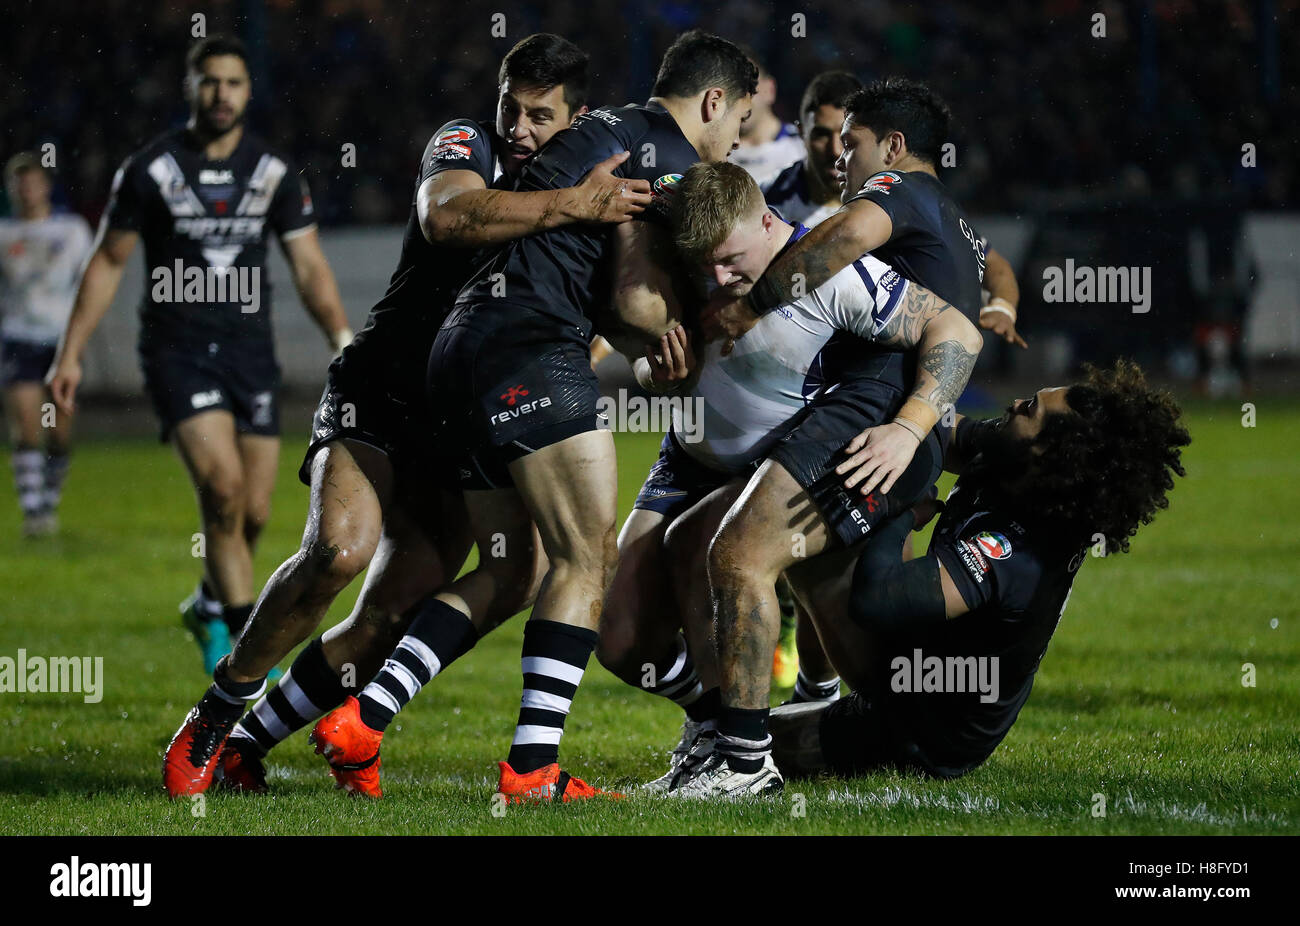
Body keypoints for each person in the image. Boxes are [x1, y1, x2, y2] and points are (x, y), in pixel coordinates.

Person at [160, 34, 652, 798]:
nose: (519, 129)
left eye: (540, 117)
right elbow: (444, 216)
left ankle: (252, 745)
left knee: (395, 613)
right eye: (510, 109)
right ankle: (220, 707)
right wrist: (571, 204)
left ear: (577, 116)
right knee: (338, 551)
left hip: (458, 413)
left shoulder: (598, 187)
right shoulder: (469, 144)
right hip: (381, 388)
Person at [309, 30, 757, 804]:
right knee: (587, 558)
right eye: (740, 120)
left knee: (519, 567)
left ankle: (365, 719)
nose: (737, 136)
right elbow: (631, 298)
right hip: (530, 349)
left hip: (459, 352)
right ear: (715, 101)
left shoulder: (604, 131)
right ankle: (530, 772)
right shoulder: (660, 156)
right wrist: (693, 326)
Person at [593, 161, 982, 797]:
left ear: (769, 223)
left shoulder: (824, 272)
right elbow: (639, 355)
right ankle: (722, 736)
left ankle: (741, 757)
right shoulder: (694, 242)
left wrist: (911, 427)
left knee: (728, 560)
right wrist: (653, 376)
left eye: (730, 260)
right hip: (690, 457)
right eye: (706, 266)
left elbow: (955, 330)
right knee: (618, 636)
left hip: (782, 461)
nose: (719, 280)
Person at [47, 35, 352, 673]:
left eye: (233, 83)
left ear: (248, 90)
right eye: (209, 81)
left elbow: (309, 267)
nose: (221, 94)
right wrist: (69, 354)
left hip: (250, 354)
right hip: (178, 352)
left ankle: (208, 604)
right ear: (191, 87)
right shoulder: (150, 170)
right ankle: (247, 665)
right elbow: (107, 261)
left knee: (256, 512)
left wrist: (342, 341)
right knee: (222, 492)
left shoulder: (271, 171)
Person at [769, 360, 1190, 781]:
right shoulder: (1018, 458)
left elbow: (874, 600)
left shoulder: (1016, 552)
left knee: (745, 739)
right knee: (874, 465)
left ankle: (818, 705)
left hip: (929, 729)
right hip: (921, 668)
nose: (1015, 403)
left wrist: (900, 514)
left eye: (1030, 410)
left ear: (1051, 453)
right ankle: (814, 695)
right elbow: (937, 426)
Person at [0, 153, 92, 537]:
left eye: (33, 181)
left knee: (58, 431)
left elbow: (89, 283)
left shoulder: (71, 231)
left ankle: (49, 500)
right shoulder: (3, 232)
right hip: (17, 337)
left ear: (46, 186)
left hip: (61, 342)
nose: (26, 190)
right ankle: (35, 512)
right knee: (25, 426)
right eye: (19, 183)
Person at [729, 52, 805, 188]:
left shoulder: (802, 148)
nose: (737, 98)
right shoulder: (709, 154)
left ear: (770, 89)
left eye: (745, 86)